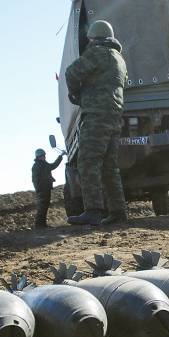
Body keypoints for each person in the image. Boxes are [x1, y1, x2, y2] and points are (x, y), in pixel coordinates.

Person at [65, 20, 128, 226]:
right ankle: (118, 211)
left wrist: (75, 94)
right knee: (110, 166)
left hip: (96, 115)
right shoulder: (119, 59)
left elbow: (71, 73)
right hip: (114, 115)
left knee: (88, 161)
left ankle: (93, 210)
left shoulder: (97, 52)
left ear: (93, 38)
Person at [31, 148, 63, 229]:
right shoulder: (37, 166)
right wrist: (38, 189)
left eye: (44, 155)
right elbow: (35, 179)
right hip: (42, 189)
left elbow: (53, 165)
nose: (44, 157)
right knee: (42, 206)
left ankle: (42, 224)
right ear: (38, 156)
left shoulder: (44, 164)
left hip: (46, 188)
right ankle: (39, 225)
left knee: (45, 206)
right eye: (43, 155)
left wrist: (60, 156)